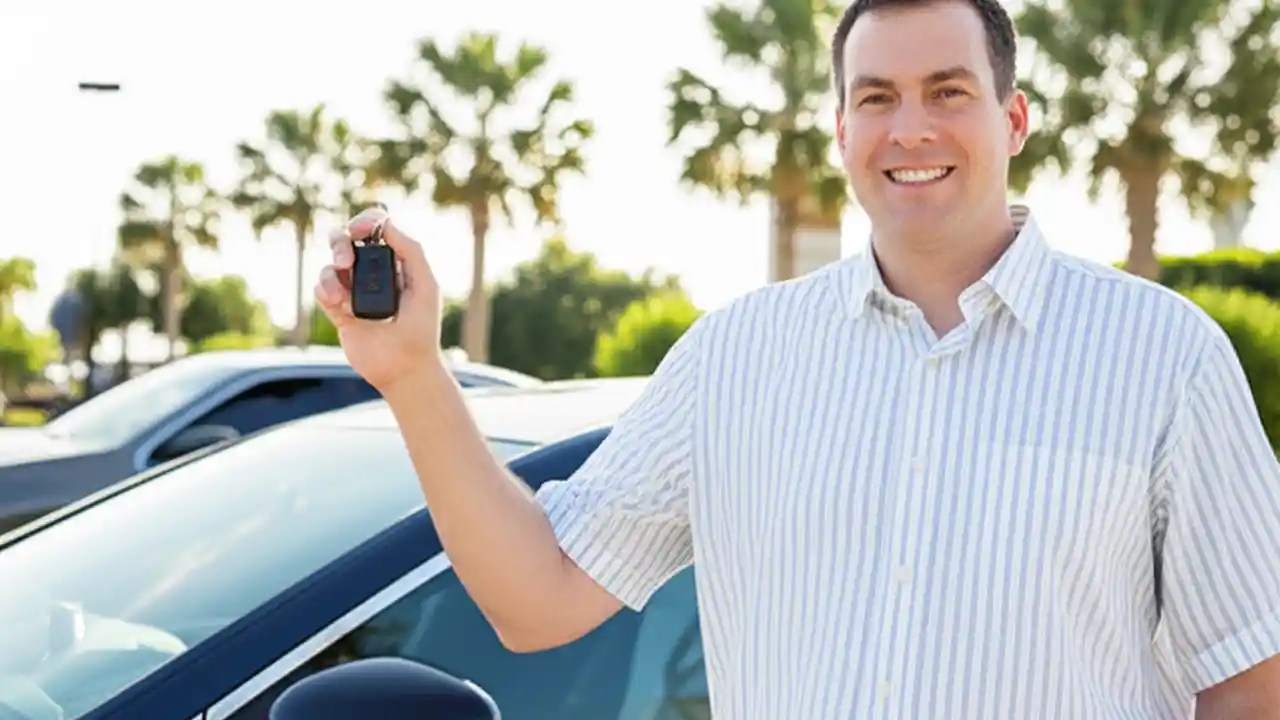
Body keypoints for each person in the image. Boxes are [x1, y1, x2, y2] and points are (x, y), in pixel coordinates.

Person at [315, 0, 1280, 716]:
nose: (912, 129)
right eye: (878, 98)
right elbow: (538, 602)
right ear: (843, 131)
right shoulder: (733, 359)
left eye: (949, 92)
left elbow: (1249, 677)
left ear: (1013, 119)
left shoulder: (1163, 357)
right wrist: (413, 374)